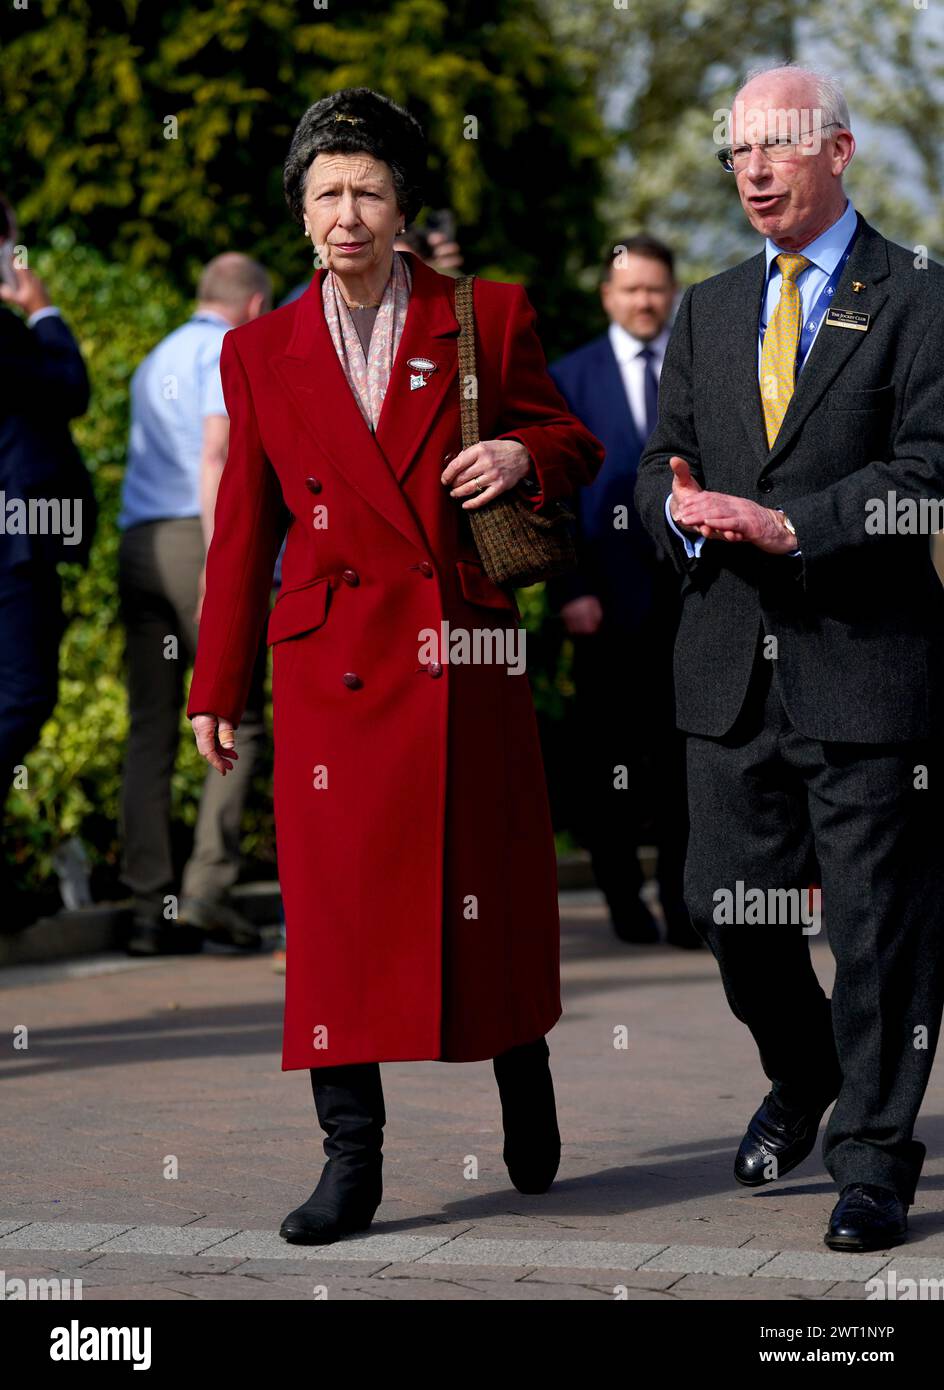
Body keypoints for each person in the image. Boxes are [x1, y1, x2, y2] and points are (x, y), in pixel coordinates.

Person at [186, 87, 604, 1245]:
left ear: (403, 203)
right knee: (335, 917)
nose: (347, 212)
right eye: (325, 192)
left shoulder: (487, 314)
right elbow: (241, 534)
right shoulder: (257, 350)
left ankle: (521, 1063)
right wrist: (212, 687)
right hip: (332, 667)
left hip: (458, 650)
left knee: (492, 886)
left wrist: (522, 452)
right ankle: (350, 1157)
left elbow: (577, 440)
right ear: (300, 211)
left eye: (367, 188)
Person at [635, 62, 944, 1252]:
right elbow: (659, 463)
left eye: (775, 147)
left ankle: (870, 1161)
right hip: (726, 672)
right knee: (727, 912)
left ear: (838, 151)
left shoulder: (918, 297)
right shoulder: (709, 307)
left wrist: (791, 526)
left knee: (873, 931)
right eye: (735, 154)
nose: (751, 170)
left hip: (864, 667)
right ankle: (802, 1069)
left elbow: (926, 476)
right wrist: (674, 509)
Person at [117, 253, 275, 954]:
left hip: (140, 544)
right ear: (254, 305)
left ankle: (149, 906)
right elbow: (217, 455)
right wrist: (225, 562)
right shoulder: (226, 348)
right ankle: (206, 893)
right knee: (237, 715)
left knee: (150, 725)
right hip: (197, 538)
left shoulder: (157, 356)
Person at [547, 236, 696, 948]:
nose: (644, 302)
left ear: (672, 292)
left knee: (687, 760)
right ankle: (623, 901)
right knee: (610, 764)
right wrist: (569, 587)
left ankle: (684, 900)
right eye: (631, 290)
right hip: (602, 606)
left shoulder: (699, 372)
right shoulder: (568, 379)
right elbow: (552, 496)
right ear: (607, 296)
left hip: (693, 603)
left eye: (655, 289)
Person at [0, 197, 96, 929]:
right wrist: (44, 311)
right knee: (24, 696)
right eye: (13, 246)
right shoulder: (10, 329)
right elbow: (68, 388)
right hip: (16, 542)